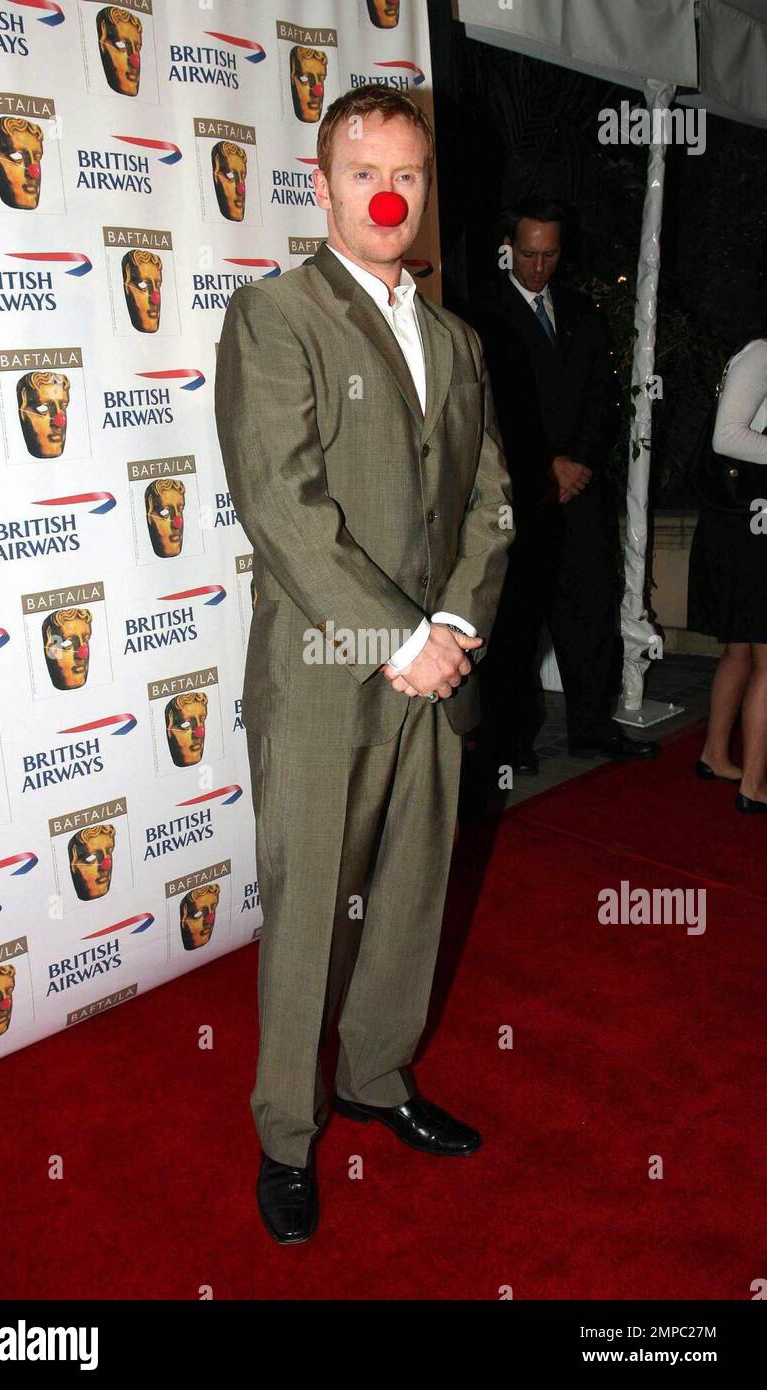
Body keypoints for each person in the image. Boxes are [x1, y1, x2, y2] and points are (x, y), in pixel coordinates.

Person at [215, 86, 514, 1244]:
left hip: (435, 672)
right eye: (364, 173)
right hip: (323, 671)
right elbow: (283, 509)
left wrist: (454, 629)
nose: (389, 197)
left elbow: (489, 502)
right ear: (323, 184)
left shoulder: (459, 340)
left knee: (408, 891)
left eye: (408, 175)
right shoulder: (275, 315)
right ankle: (287, 1136)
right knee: (309, 914)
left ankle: (376, 1077)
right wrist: (399, 638)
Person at [474, 198, 659, 775]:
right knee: (516, 623)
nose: (538, 266)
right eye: (529, 254)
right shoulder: (484, 312)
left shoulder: (581, 311)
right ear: (509, 247)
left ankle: (593, 727)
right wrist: (543, 467)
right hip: (519, 497)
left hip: (579, 495)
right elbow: (488, 408)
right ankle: (511, 743)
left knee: (590, 613)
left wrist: (579, 463)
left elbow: (605, 398)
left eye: (549, 255)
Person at [687, 333, 767, 812]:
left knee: (740, 649)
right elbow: (727, 437)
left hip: (744, 527)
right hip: (750, 527)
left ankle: (715, 755)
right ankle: (754, 785)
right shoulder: (762, 353)